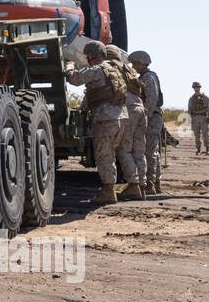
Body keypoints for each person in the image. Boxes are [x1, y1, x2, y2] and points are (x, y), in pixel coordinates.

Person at [66, 41, 129, 204]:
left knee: (104, 155)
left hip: (105, 118)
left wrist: (69, 66)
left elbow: (74, 79)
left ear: (91, 56)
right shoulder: (114, 68)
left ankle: (108, 191)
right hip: (120, 115)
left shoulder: (97, 69)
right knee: (111, 154)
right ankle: (111, 188)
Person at [107, 45, 145, 201]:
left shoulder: (109, 68)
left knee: (123, 149)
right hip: (140, 108)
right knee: (138, 150)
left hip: (128, 109)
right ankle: (143, 185)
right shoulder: (128, 69)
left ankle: (133, 185)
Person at [130, 50, 163, 195]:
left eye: (135, 63)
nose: (133, 65)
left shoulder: (148, 77)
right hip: (151, 116)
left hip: (151, 117)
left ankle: (151, 183)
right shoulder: (145, 76)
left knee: (150, 152)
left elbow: (151, 99)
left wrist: (146, 117)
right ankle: (154, 183)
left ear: (141, 63)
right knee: (152, 151)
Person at [188, 82, 209, 154]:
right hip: (195, 118)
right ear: (193, 88)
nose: (196, 88)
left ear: (200, 88)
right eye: (195, 87)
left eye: (198, 87)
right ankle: (198, 149)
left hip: (204, 117)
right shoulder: (191, 99)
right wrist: (190, 119)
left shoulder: (205, 98)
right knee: (196, 135)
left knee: (205, 134)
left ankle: (207, 149)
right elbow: (189, 109)